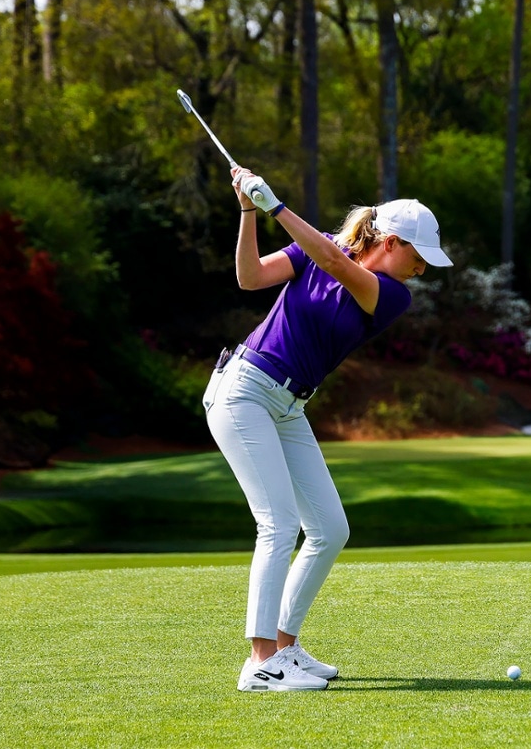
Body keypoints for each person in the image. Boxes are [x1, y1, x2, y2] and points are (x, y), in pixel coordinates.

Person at [202, 167, 453, 692]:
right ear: (390, 242)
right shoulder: (312, 252)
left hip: (288, 405)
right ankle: (260, 662)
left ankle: (286, 647)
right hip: (244, 390)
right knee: (277, 525)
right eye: (418, 256)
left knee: (330, 528)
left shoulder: (389, 293)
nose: (422, 270)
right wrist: (249, 211)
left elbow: (334, 260)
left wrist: (275, 207)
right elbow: (249, 278)